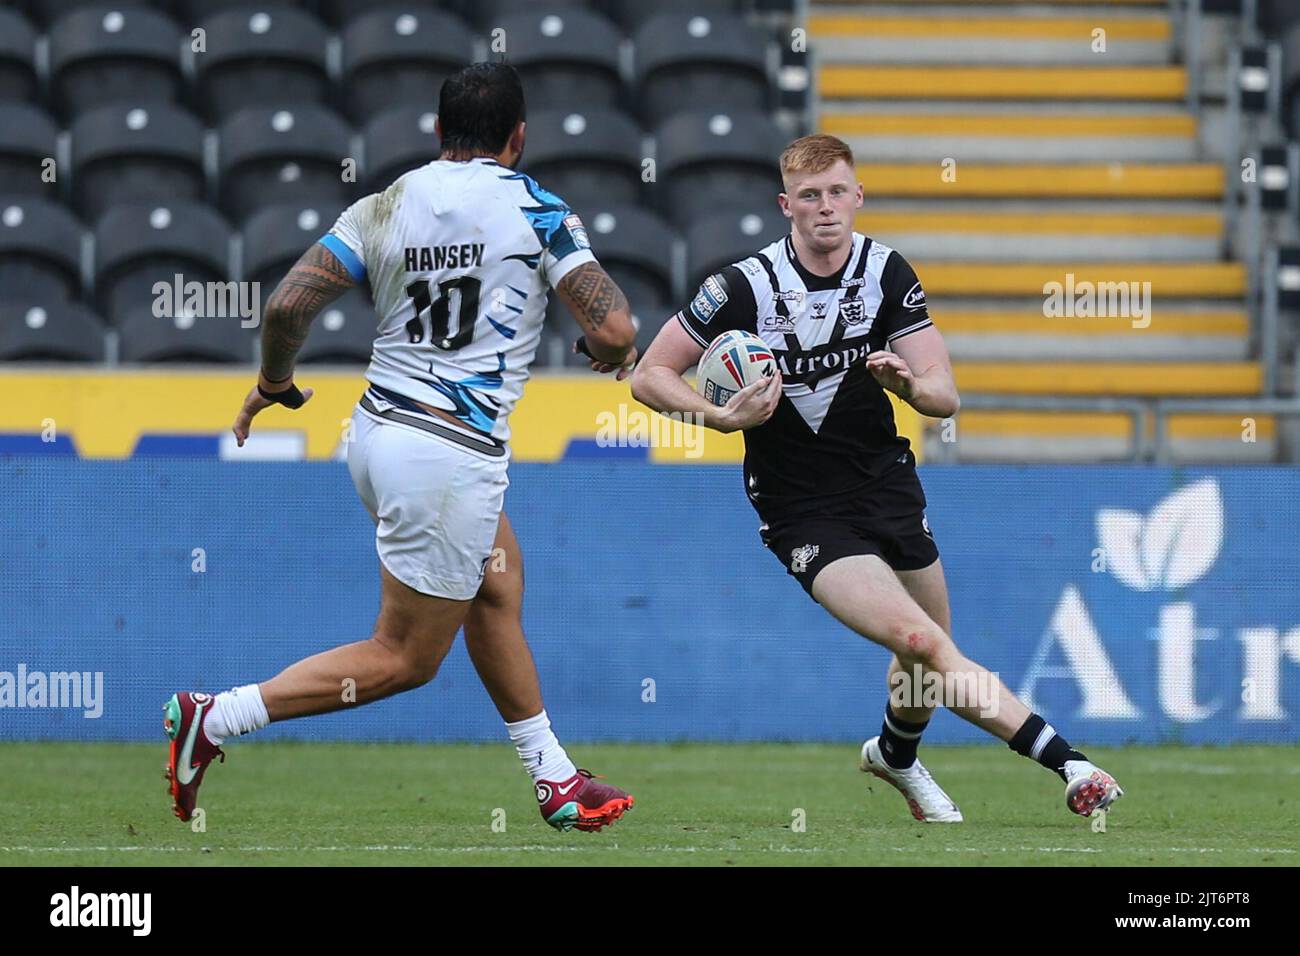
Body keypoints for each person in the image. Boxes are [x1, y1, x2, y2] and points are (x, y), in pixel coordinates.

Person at [164, 63, 637, 833]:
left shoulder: (385, 204)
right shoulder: (537, 207)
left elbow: (287, 303)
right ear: (519, 138)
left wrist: (275, 382)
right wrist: (607, 349)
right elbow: (615, 327)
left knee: (496, 586)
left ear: (437, 133)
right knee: (404, 659)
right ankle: (216, 717)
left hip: (378, 434)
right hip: (449, 456)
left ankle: (553, 775)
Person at [627, 133, 1123, 822]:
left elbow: (945, 395)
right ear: (785, 206)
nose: (825, 208)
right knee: (920, 641)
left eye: (837, 192)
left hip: (887, 486)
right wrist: (719, 416)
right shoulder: (744, 286)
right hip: (801, 509)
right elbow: (649, 376)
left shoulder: (886, 273)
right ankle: (1070, 764)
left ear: (858, 196)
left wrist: (909, 387)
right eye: (809, 196)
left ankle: (894, 755)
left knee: (925, 661)